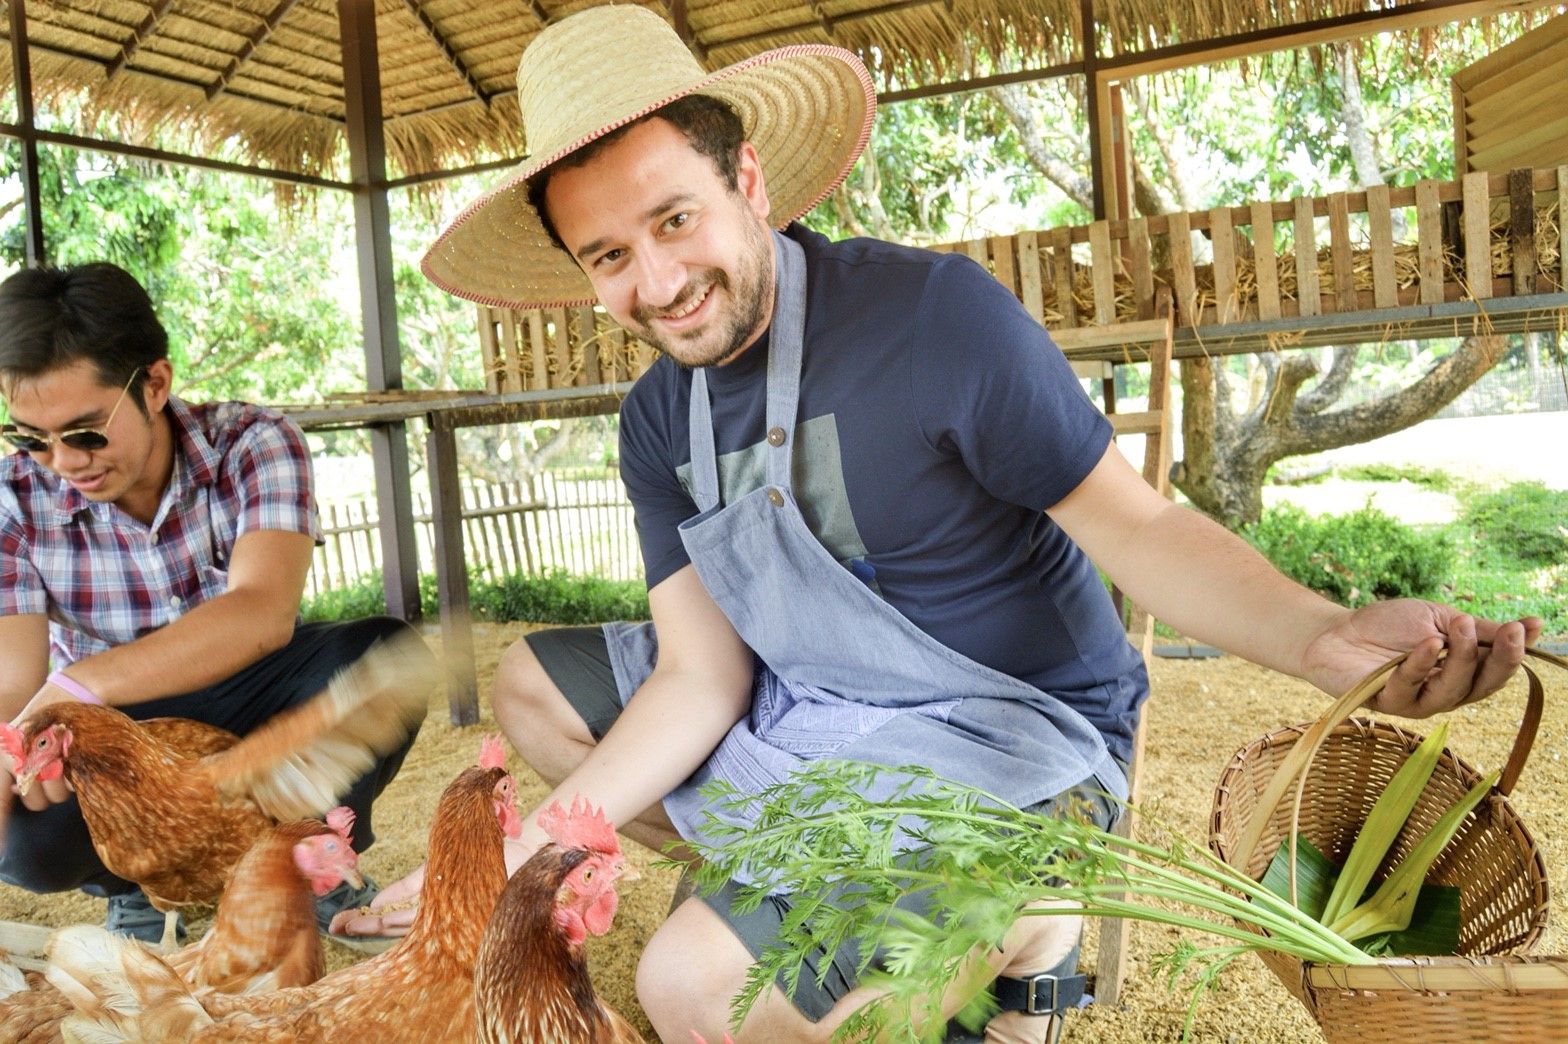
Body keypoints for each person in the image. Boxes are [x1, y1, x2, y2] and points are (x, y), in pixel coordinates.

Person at [338, 7, 1541, 1042]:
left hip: (1005, 733)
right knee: (536, 693)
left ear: (747, 183)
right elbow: (701, 676)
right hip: (807, 711)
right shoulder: (660, 419)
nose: (654, 285)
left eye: (673, 221)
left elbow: (1138, 528)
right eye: (607, 255)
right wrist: (516, 850)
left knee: (689, 988)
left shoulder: (933, 322)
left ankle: (1019, 911)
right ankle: (848, 916)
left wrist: (1323, 640)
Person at [0, 261, 427, 948]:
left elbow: (261, 612)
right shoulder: (11, 498)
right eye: (28, 437)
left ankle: (305, 863)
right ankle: (134, 889)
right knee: (23, 840)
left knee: (379, 653)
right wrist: (14, 753)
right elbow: (13, 684)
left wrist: (77, 683)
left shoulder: (252, 443)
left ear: (156, 384)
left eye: (83, 433)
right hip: (114, 738)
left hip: (247, 693)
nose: (61, 462)